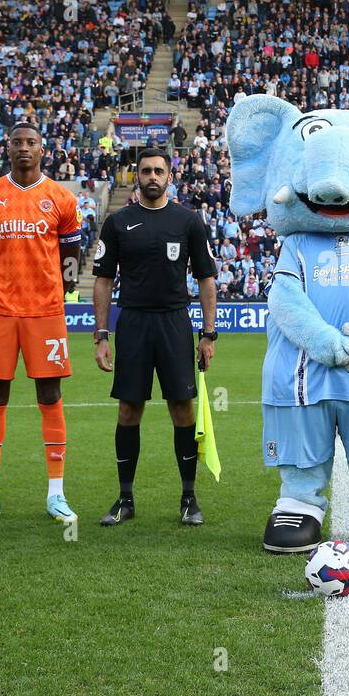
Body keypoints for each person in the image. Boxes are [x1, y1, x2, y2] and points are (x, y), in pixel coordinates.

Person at [0, 123, 84, 524]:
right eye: (17, 143)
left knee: (50, 394)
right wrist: (1, 285)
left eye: (31, 143)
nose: (24, 148)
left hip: (45, 312)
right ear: (7, 149)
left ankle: (56, 495)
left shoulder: (61, 198)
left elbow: (72, 259)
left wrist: (51, 293)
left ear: (42, 149)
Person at [92, 149, 218, 526]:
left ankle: (189, 498)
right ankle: (125, 498)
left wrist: (208, 334)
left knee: (183, 409)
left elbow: (205, 279)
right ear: (136, 177)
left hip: (174, 323)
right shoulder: (118, 222)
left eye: (158, 170)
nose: (151, 176)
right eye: (145, 170)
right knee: (129, 409)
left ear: (169, 175)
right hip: (132, 323)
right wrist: (102, 334)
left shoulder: (188, 221)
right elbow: (102, 280)